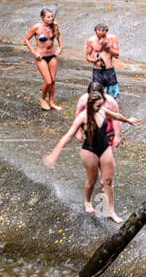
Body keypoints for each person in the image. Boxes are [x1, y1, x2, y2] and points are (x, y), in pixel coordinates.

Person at [43, 89, 138, 224]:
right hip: (90, 151)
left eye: (102, 105)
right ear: (90, 105)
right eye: (98, 106)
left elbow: (116, 116)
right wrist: (54, 154)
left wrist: (128, 120)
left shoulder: (103, 110)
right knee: (92, 181)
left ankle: (110, 211)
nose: (101, 108)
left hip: (105, 149)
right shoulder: (82, 117)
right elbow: (68, 136)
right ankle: (87, 201)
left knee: (108, 182)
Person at [24, 8, 62, 111]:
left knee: (53, 81)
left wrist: (60, 47)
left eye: (51, 16)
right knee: (48, 81)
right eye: (48, 17)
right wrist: (33, 52)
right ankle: (43, 99)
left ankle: (52, 102)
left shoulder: (55, 25)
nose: (50, 19)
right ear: (42, 17)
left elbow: (59, 36)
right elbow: (26, 39)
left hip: (52, 55)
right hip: (41, 57)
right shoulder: (36, 27)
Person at [75, 81, 122, 149]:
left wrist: (117, 136)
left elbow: (116, 119)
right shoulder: (83, 99)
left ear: (103, 94)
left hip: (108, 132)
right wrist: (78, 132)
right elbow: (78, 114)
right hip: (91, 131)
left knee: (107, 154)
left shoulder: (110, 102)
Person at [86, 22, 121, 101]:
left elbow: (117, 54)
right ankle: (98, 110)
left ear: (106, 32)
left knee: (113, 94)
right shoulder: (91, 41)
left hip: (109, 69)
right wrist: (93, 60)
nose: (101, 36)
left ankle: (111, 109)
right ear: (95, 32)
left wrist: (107, 47)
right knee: (96, 93)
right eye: (99, 34)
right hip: (97, 70)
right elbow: (87, 56)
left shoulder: (112, 39)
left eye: (103, 34)